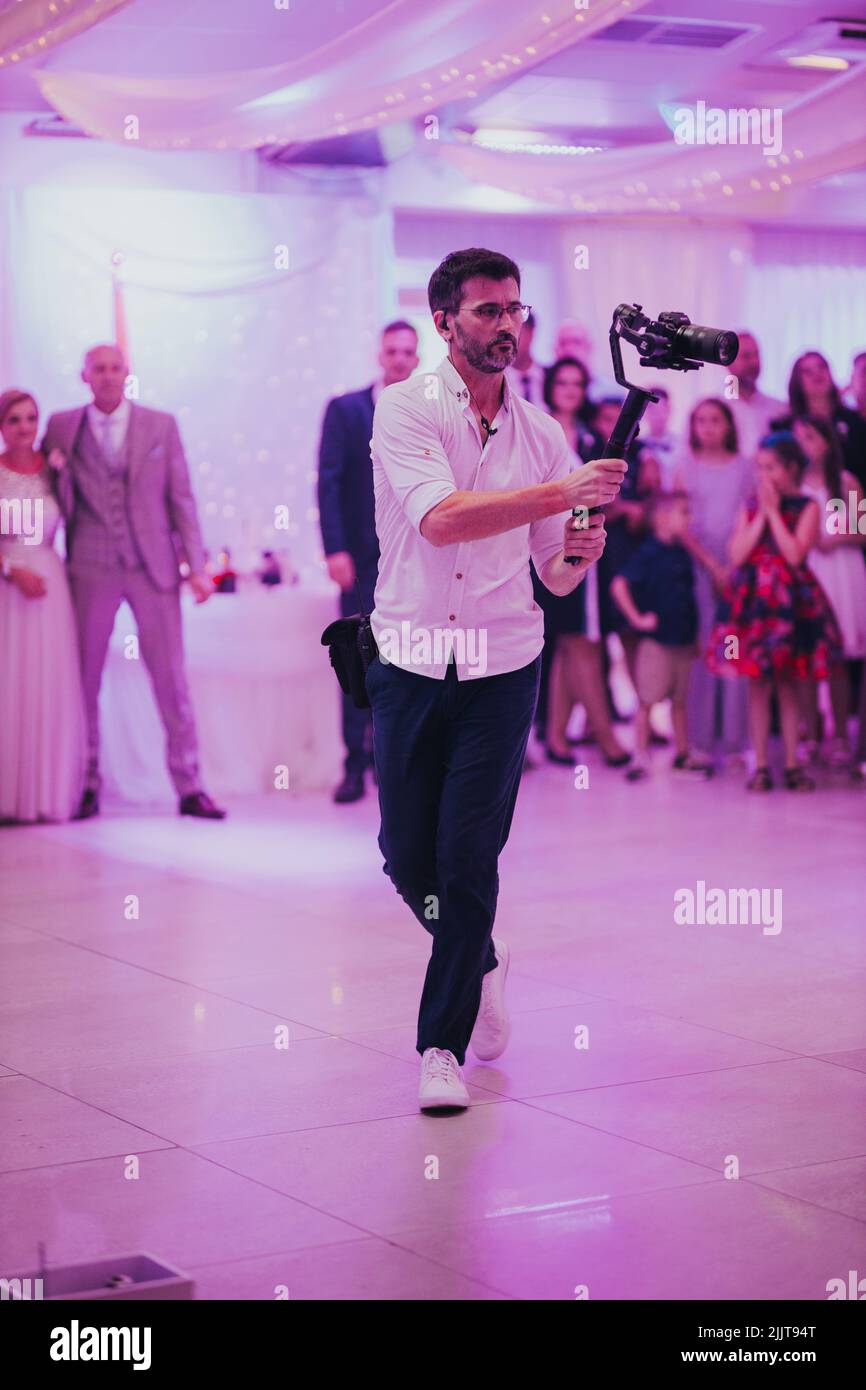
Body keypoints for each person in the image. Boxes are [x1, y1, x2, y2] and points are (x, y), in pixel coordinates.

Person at [365, 248, 626, 1110]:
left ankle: (440, 1046)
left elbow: (553, 576)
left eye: (514, 310)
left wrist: (579, 545)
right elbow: (440, 521)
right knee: (407, 857)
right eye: (486, 311)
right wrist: (558, 494)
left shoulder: (543, 436)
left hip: (503, 665)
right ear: (445, 321)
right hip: (407, 658)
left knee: (469, 856)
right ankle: (480, 957)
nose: (505, 326)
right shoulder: (405, 408)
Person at [42, 344, 225, 820]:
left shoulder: (160, 424)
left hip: (153, 566)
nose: (107, 376)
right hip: (88, 565)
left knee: (171, 679)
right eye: (98, 368)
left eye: (115, 367)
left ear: (127, 373)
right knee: (83, 681)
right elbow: (48, 493)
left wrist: (197, 567)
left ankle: (190, 785)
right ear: (84, 375)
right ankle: (83, 782)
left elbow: (181, 499)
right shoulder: (62, 427)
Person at [317, 320, 419, 803]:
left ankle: (392, 762)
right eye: (392, 351)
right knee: (356, 658)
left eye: (407, 352)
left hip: (417, 558)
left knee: (406, 661)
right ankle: (353, 764)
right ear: (380, 355)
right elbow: (329, 481)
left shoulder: (428, 410)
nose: (399, 359)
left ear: (416, 358)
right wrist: (334, 548)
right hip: (360, 558)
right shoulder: (346, 410)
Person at [706, 432, 843, 791]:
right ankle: (762, 764)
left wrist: (774, 513)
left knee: (788, 681)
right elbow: (737, 555)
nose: (763, 475)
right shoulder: (750, 507)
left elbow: (795, 554)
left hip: (790, 605)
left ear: (791, 468)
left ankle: (794, 763)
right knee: (758, 682)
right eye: (760, 468)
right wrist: (761, 516)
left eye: (771, 468)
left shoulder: (807, 506)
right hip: (755, 605)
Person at [535, 357, 629, 766]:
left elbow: (608, 493)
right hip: (542, 548)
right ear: (551, 386)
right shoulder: (538, 434)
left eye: (578, 383)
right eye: (563, 382)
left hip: (584, 548)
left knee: (575, 643)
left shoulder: (593, 440)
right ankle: (607, 739)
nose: (570, 389)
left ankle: (558, 736)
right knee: (574, 643)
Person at [0, 390, 86, 822]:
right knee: (9, 683)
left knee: (48, 682)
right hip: (8, 585)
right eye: (14, 419)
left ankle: (46, 794)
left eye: (31, 418)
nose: (24, 427)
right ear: (2, 425)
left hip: (51, 583)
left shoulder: (55, 472)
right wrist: (10, 569)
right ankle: (9, 794)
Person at [674, 398, 754, 771]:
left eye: (715, 420)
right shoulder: (685, 467)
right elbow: (681, 522)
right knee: (705, 650)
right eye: (700, 420)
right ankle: (701, 741)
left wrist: (731, 564)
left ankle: (738, 742)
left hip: (738, 566)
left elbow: (749, 513)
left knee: (736, 649)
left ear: (728, 425)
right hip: (698, 569)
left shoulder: (745, 467)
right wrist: (710, 564)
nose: (707, 427)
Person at [610, 492, 708, 780]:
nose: (689, 519)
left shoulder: (681, 552)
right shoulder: (649, 553)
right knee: (647, 701)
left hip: (682, 640)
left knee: (679, 701)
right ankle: (640, 754)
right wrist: (637, 619)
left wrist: (695, 636)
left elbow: (687, 597)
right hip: (657, 642)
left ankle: (682, 752)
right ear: (663, 519)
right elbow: (619, 585)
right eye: (684, 513)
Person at [794, 414, 866, 766]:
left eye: (811, 436)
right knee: (807, 657)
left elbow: (864, 528)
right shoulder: (792, 484)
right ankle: (812, 731)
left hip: (839, 569)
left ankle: (840, 734)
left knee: (836, 657)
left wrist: (835, 538)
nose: (805, 444)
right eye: (800, 437)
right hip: (806, 571)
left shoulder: (846, 481)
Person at [776, 351, 866, 492]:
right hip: (800, 504)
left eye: (822, 367)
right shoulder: (784, 428)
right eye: (808, 372)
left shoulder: (856, 422)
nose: (817, 374)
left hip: (852, 502)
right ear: (797, 381)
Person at [726, 332, 786, 461]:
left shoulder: (779, 409)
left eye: (757, 355)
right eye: (746, 356)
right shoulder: (716, 411)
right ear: (727, 360)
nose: (754, 362)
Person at [634, 388, 679, 490]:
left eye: (662, 409)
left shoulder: (683, 445)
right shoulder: (636, 446)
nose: (657, 415)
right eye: (652, 409)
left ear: (669, 409)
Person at [504, 310, 545, 406]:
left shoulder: (551, 378)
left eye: (517, 332)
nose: (510, 339)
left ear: (531, 333)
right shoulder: (495, 383)